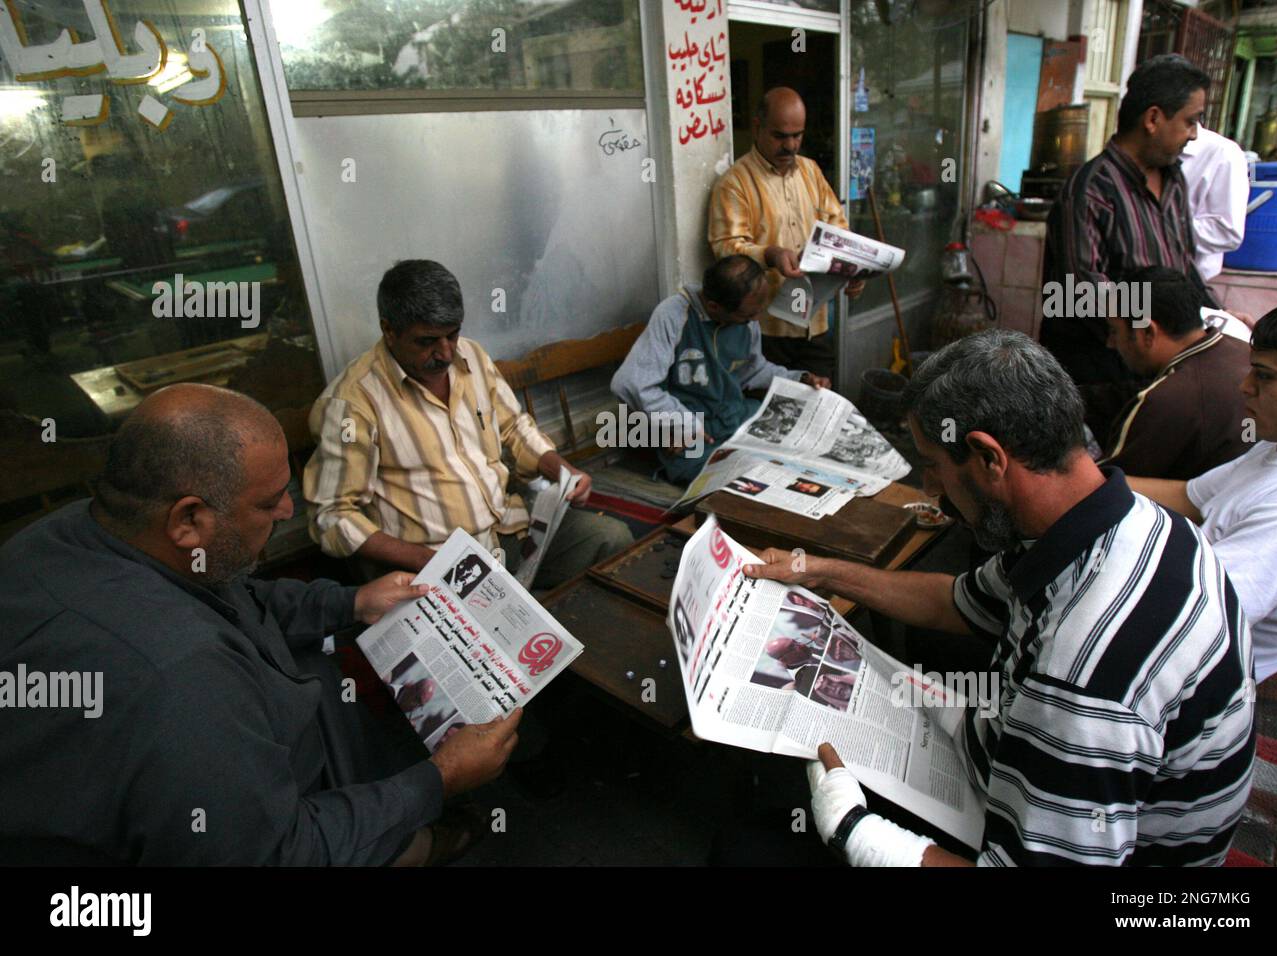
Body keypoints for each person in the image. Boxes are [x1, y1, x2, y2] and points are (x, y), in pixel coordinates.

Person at [745, 330, 1254, 866]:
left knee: (749, 848)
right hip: (1039, 777)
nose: (928, 489)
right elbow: (955, 601)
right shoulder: (1137, 524)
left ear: (989, 457)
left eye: (933, 467)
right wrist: (822, 571)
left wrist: (855, 832)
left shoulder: (1080, 675)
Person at [0, 383, 522, 865]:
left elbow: (244, 595)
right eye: (270, 502)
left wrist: (352, 601)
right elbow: (277, 854)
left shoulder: (85, 529)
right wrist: (442, 779)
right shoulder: (180, 679)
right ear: (188, 520)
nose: (289, 509)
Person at [303, 259, 632, 589]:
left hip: (506, 532)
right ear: (389, 330)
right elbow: (332, 515)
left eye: (452, 334)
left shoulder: (471, 357)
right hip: (433, 564)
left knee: (610, 539)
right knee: (504, 631)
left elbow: (513, 427)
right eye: (426, 341)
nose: (445, 353)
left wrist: (563, 471)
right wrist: (427, 562)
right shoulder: (352, 404)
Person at [1043, 54, 1220, 438]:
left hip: (1158, 362)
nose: (1194, 134)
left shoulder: (1174, 181)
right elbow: (1082, 292)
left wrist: (1218, 317)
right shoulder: (1091, 190)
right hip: (1104, 370)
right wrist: (1154, 331)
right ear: (1153, 119)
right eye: (1190, 120)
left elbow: (1184, 269)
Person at [1129, 299, 1277, 683]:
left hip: (1183, 677)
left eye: (1265, 376)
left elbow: (1189, 614)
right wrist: (1071, 478)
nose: (1246, 387)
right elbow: (1189, 497)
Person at [610, 255, 829, 483]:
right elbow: (631, 383)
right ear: (714, 307)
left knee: (803, 446)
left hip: (734, 415)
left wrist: (799, 379)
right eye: (748, 315)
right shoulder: (673, 315)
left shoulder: (748, 316)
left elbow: (752, 371)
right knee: (738, 481)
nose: (756, 319)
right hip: (693, 430)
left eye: (758, 311)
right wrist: (679, 422)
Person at [709, 88, 866, 383]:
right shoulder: (735, 182)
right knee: (774, 415)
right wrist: (770, 254)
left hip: (815, 321)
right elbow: (725, 248)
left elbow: (837, 228)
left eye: (798, 135)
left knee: (822, 404)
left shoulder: (811, 171)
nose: (791, 145)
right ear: (757, 126)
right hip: (767, 330)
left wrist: (853, 268)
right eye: (780, 136)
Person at [1100, 265, 1251, 479]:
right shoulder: (1242, 349)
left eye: (1115, 331)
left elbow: (1107, 484)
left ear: (1147, 332)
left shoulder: (1168, 398)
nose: (1110, 343)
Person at [1180, 123, 1249, 284]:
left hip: (1187, 279)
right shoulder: (1143, 147)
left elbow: (1227, 231)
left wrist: (1156, 227)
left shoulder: (1223, 153)